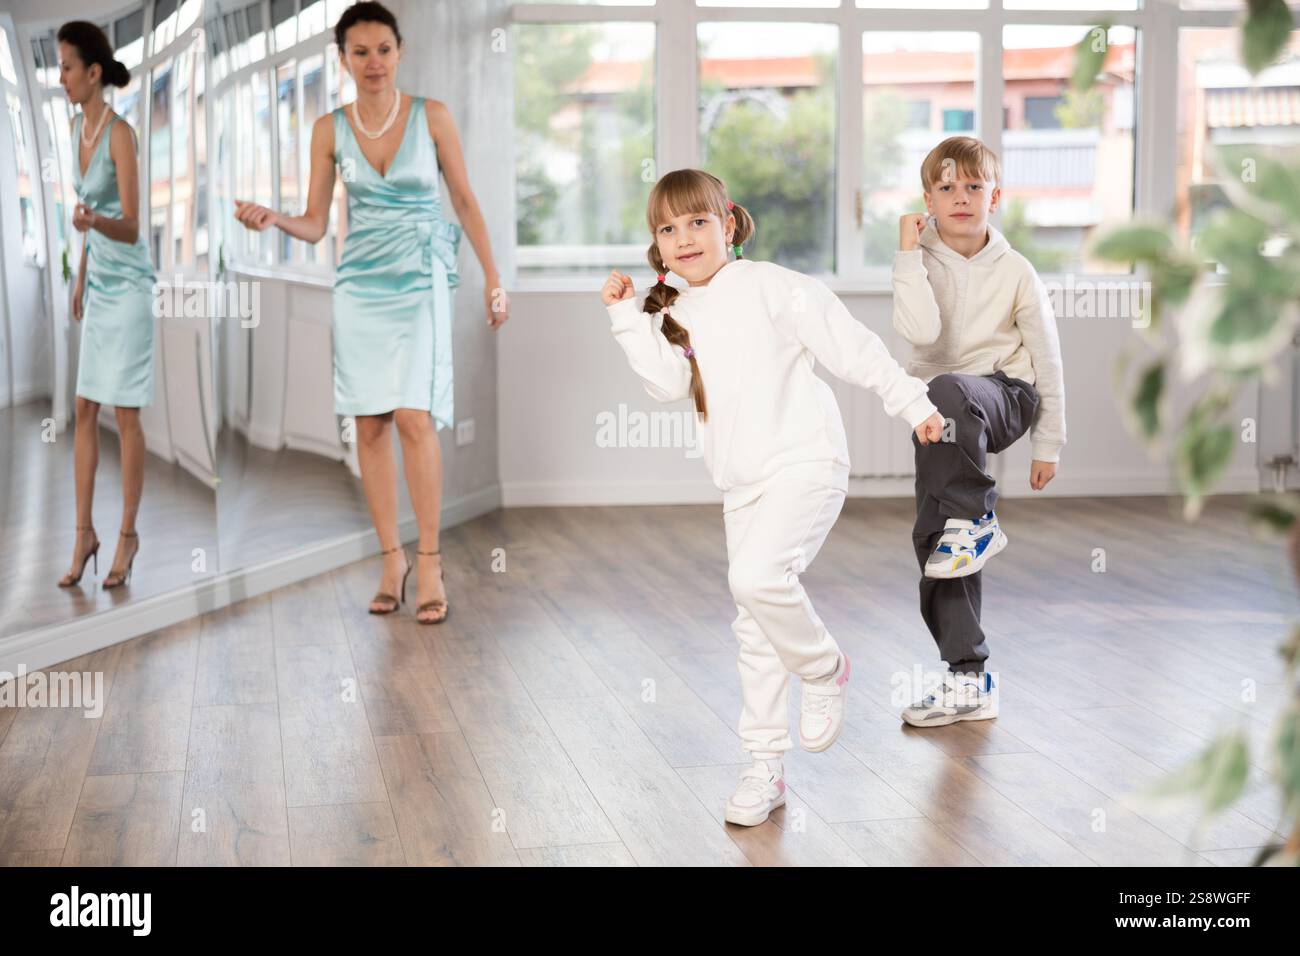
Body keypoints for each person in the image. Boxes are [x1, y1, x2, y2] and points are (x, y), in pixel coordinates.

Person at [602, 169, 942, 827]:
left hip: (807, 461)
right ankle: (765, 769)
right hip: (742, 482)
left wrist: (912, 403)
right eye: (667, 229)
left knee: (756, 578)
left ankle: (824, 667)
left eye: (697, 221)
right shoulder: (670, 308)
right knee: (754, 625)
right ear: (658, 244)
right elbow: (668, 387)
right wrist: (626, 316)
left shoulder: (771, 286)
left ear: (728, 225)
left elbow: (851, 347)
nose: (684, 237)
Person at [234, 1, 507, 623]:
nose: (374, 62)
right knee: (371, 427)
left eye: (383, 49)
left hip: (417, 280)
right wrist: (273, 218)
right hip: (359, 285)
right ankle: (392, 558)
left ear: (399, 51)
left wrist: (493, 277)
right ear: (343, 59)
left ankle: (431, 559)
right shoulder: (328, 129)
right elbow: (311, 222)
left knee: (414, 417)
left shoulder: (432, 116)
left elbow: (463, 200)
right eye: (360, 52)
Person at [891, 135, 1066, 726]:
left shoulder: (1016, 270)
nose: (961, 198)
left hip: (1005, 395)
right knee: (937, 545)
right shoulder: (919, 259)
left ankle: (979, 516)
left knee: (948, 388)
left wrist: (1050, 441)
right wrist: (908, 256)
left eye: (973, 186)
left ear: (996, 195)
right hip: (938, 415)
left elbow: (1048, 359)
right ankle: (968, 679)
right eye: (946, 187)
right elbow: (919, 333)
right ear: (928, 199)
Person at [56, 21, 157, 591]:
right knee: (84, 408)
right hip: (99, 286)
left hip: (132, 288)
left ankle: (127, 534)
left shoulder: (122, 135)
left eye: (69, 66)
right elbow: (89, 217)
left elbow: (133, 224)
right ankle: (83, 534)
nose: (63, 77)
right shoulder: (76, 128)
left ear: (94, 72)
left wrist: (94, 224)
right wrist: (81, 273)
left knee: (126, 413)